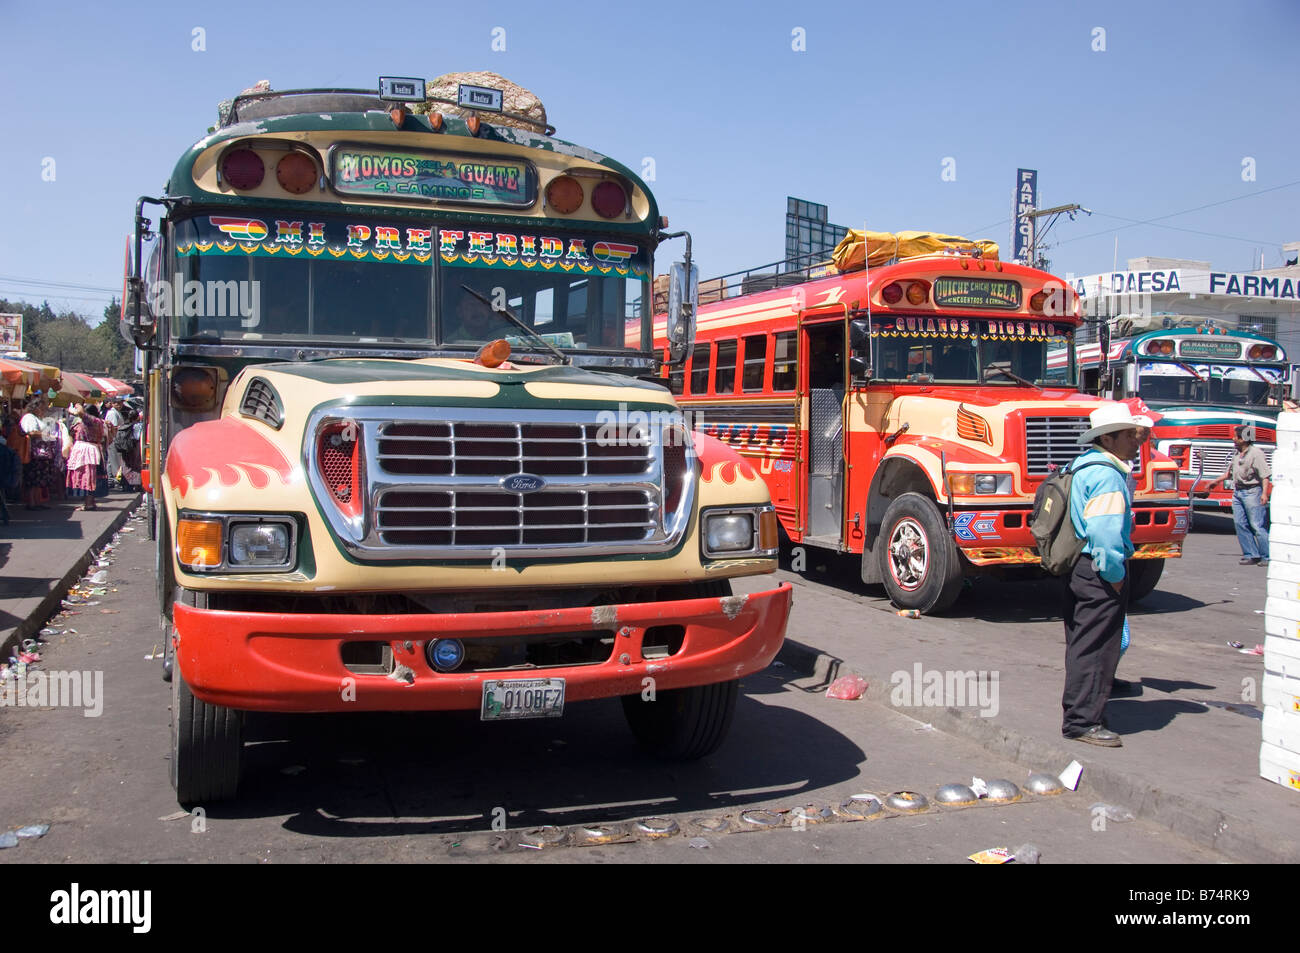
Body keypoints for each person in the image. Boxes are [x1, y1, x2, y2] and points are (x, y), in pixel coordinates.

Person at [1061, 402, 1150, 747]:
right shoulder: (1108, 475)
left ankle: (1081, 711)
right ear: (1109, 438)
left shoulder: (1082, 465)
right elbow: (1106, 534)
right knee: (1097, 648)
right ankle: (1083, 722)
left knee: (1081, 644)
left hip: (1077, 566)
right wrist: (1113, 574)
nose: (1136, 440)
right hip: (1098, 570)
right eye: (1129, 435)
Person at [1204, 424, 1271, 566]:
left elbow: (1265, 476)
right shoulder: (1237, 453)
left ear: (1243, 439)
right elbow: (1229, 473)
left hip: (1252, 492)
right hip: (1238, 492)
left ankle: (1266, 556)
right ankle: (1251, 554)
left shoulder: (1256, 454)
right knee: (1240, 523)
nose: (1233, 439)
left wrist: (1264, 494)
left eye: (1236, 437)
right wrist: (1214, 482)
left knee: (1257, 525)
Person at [19, 394, 58, 509]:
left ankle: (37, 501)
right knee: (32, 477)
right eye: (41, 407)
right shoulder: (29, 417)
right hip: (33, 452)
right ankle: (31, 502)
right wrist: (45, 435)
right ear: (35, 407)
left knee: (38, 478)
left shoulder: (36, 418)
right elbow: (31, 432)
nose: (43, 410)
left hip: (39, 453)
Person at [65, 403, 105, 510]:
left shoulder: (93, 421)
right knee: (89, 477)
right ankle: (90, 502)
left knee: (88, 477)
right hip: (91, 449)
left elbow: (80, 413)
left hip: (87, 451)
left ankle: (89, 503)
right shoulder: (98, 422)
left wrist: (78, 404)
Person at [104, 398, 124, 490]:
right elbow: (114, 427)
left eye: (121, 403)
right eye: (118, 403)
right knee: (114, 461)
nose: (120, 405)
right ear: (113, 404)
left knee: (111, 461)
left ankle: (111, 480)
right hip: (113, 439)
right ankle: (116, 481)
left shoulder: (116, 412)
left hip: (113, 439)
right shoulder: (113, 413)